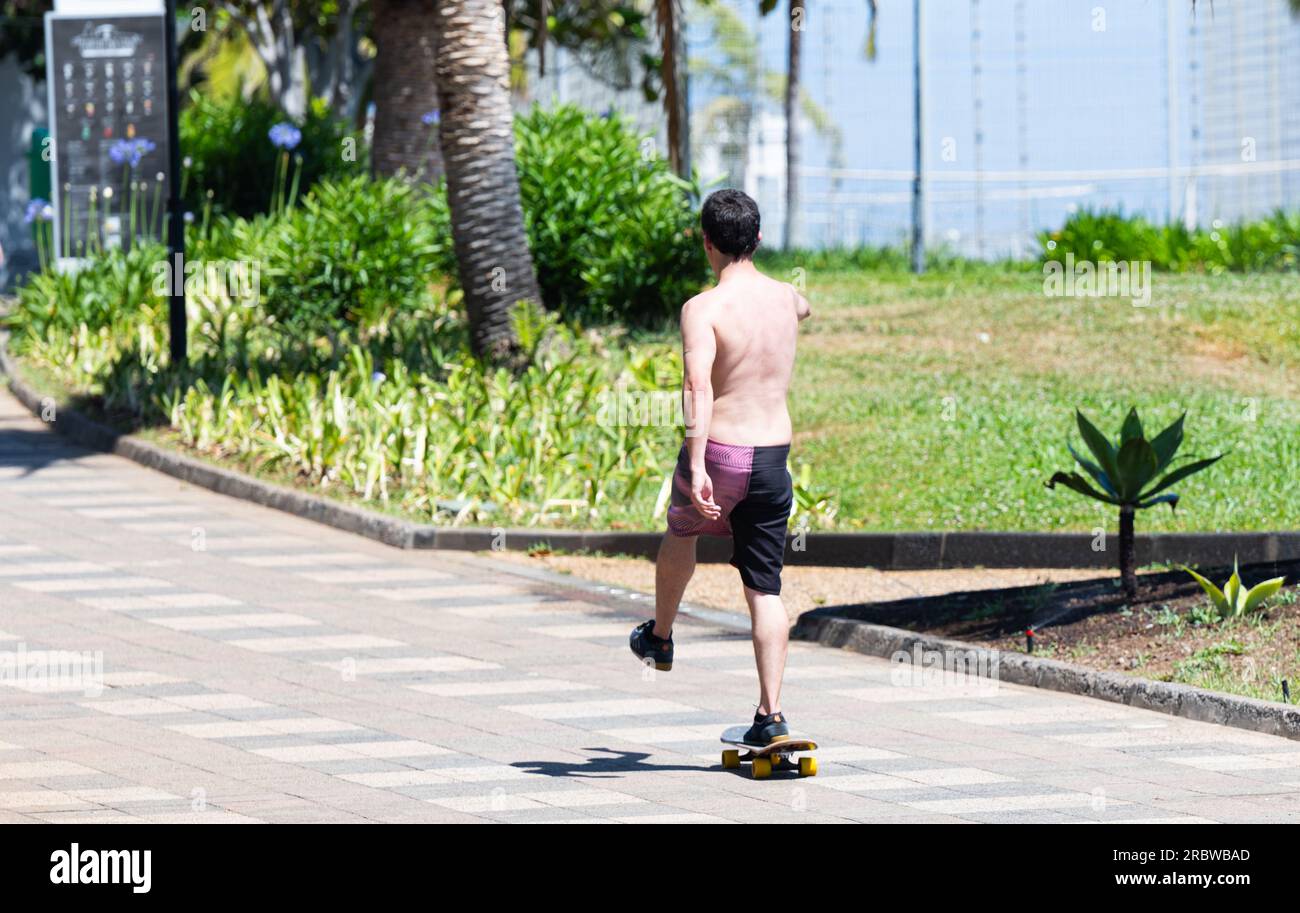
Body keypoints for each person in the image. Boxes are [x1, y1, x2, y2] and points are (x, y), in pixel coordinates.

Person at [630, 189, 811, 746]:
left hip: (723, 453)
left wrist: (696, 459)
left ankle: (660, 637)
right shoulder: (788, 299)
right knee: (765, 590)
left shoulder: (702, 308)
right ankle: (771, 714)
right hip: (773, 460)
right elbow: (805, 307)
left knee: (682, 533)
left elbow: (696, 386)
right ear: (757, 240)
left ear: (705, 241)